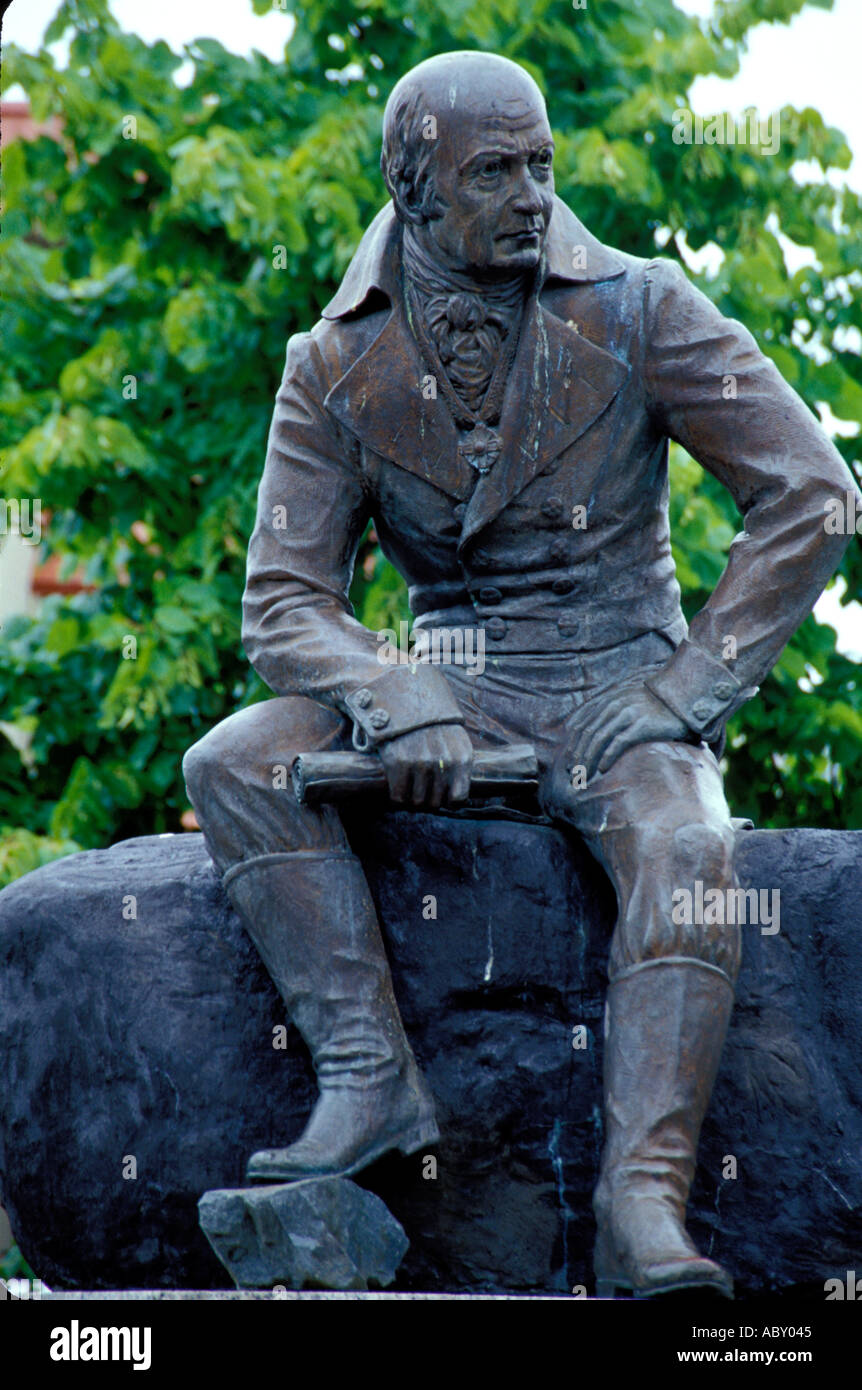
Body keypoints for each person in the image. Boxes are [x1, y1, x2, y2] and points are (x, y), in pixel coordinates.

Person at [182, 50, 859, 1297]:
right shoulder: (329, 363)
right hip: (447, 678)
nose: (531, 194)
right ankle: (368, 1078)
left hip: (619, 689)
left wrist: (681, 690)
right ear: (414, 187)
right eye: (493, 171)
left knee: (692, 851)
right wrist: (394, 693)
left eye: (541, 164)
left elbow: (813, 496)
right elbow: (282, 601)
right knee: (233, 760)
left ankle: (640, 1200)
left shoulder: (643, 307)